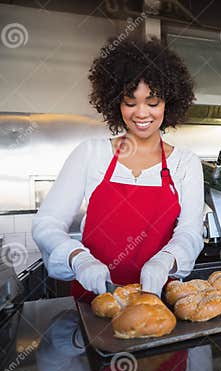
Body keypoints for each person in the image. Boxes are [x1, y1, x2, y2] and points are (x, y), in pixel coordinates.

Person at [32, 37, 204, 301]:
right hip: (95, 303)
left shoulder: (186, 163)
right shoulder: (91, 154)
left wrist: (166, 261)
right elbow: (47, 224)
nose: (141, 113)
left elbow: (190, 232)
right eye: (130, 102)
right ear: (116, 102)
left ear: (169, 101)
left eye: (153, 101)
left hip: (159, 304)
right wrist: (78, 259)